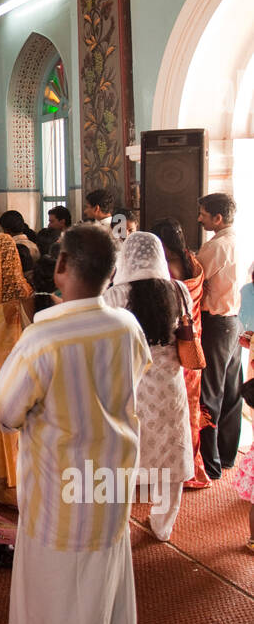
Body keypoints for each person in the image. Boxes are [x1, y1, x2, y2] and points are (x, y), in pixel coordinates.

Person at [0, 224, 151, 624]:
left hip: (60, 496)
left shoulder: (44, 337)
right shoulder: (126, 326)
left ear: (61, 266)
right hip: (109, 490)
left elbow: (8, 411)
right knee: (103, 597)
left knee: (61, 608)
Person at [103, 232, 194, 539]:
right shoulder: (179, 290)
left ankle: (119, 526)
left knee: (125, 454)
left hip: (130, 385)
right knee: (169, 452)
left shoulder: (116, 295)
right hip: (169, 387)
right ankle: (163, 526)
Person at [151, 217, 210, 488]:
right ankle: (191, 465)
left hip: (176, 345)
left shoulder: (167, 269)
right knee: (191, 406)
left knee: (174, 409)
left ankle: (179, 468)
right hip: (193, 339)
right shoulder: (192, 261)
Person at [0, 233, 35, 507]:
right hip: (24, 362)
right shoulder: (26, 291)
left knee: (1, 414)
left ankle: (4, 474)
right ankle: (23, 472)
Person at [197, 193, 242, 478]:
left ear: (218, 218)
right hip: (233, 323)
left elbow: (195, 278)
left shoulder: (216, 247)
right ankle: (226, 457)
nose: (199, 218)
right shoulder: (235, 239)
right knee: (231, 393)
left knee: (210, 394)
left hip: (216, 325)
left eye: (203, 214)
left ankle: (210, 466)